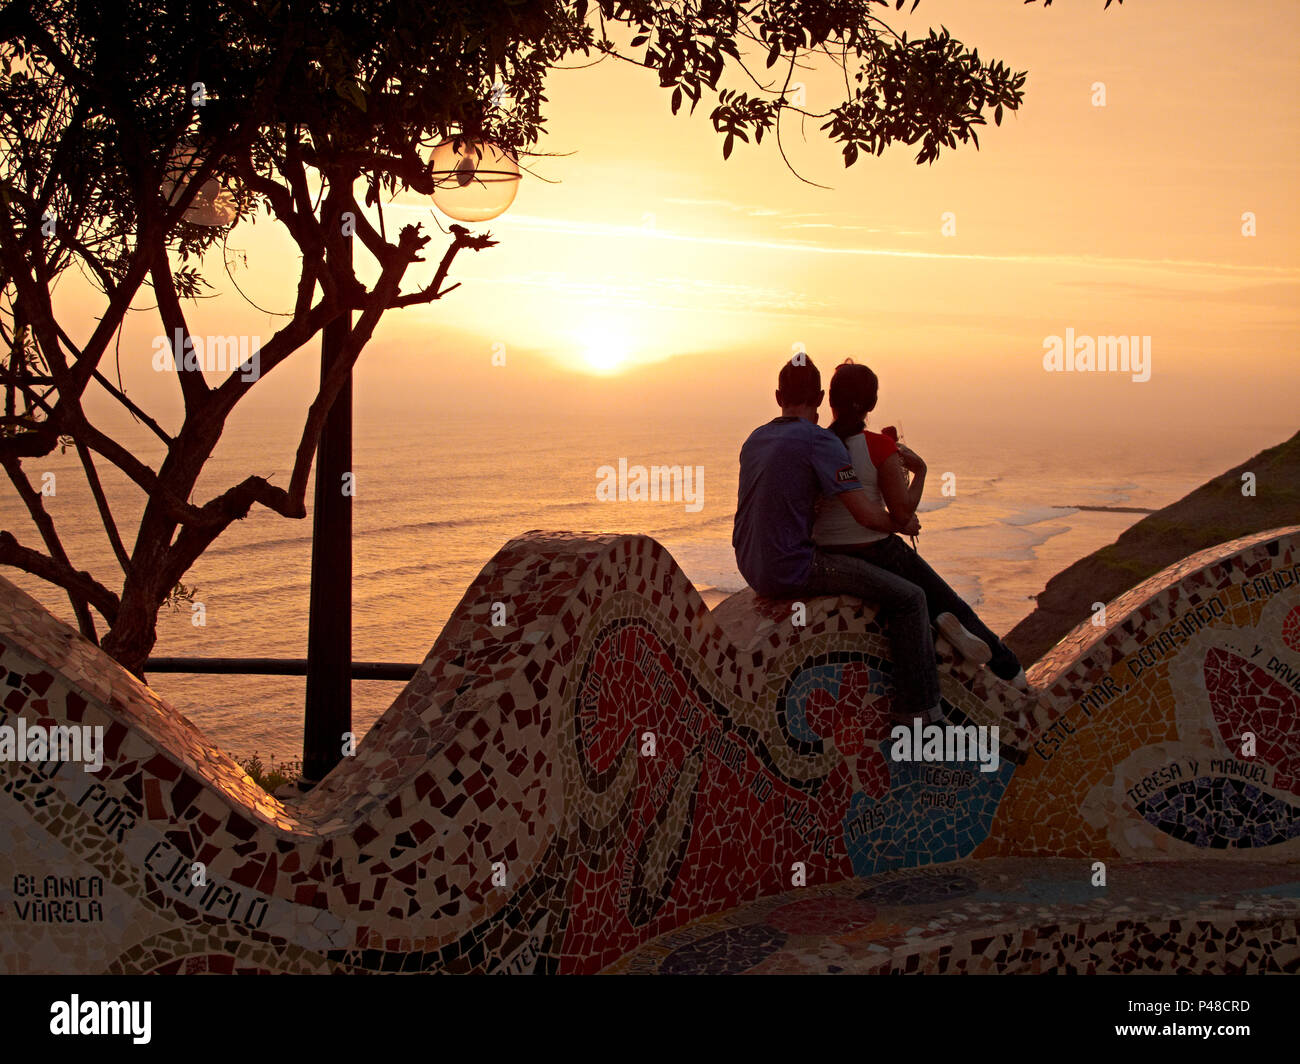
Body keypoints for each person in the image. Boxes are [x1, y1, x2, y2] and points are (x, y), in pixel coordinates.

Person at [732, 355, 946, 724]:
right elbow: (865, 515)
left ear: (778, 394)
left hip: (749, 565)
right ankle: (921, 713)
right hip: (794, 568)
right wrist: (901, 524)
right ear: (819, 396)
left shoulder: (756, 438)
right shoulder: (819, 441)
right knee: (911, 598)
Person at [811, 359, 1030, 690]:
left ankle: (948, 630)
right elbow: (901, 514)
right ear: (871, 404)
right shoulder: (879, 447)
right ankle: (1010, 671)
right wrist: (920, 471)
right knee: (947, 598)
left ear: (830, 400)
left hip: (825, 554)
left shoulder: (816, 444)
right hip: (875, 551)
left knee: (920, 598)